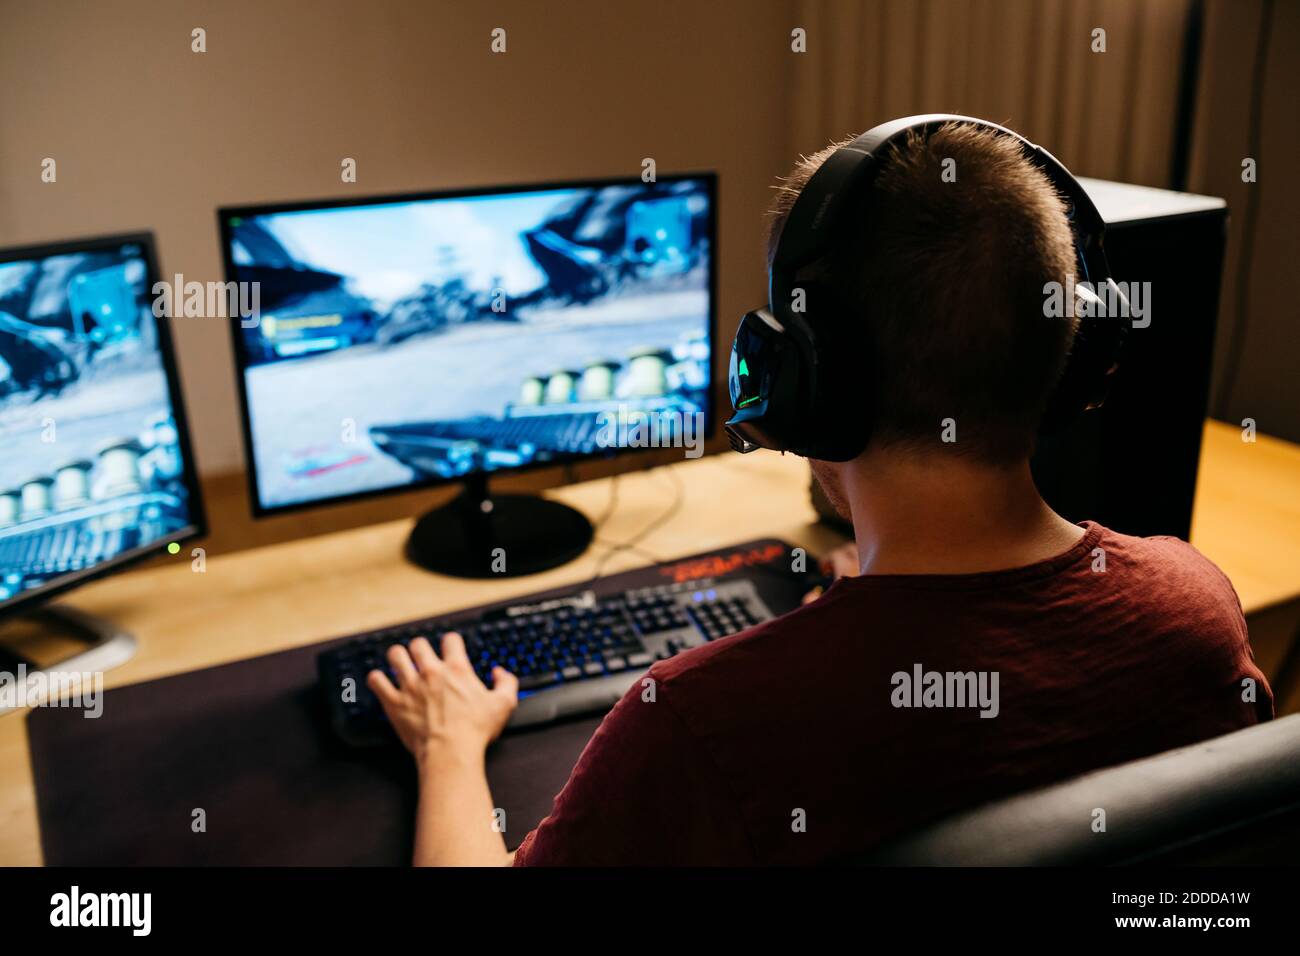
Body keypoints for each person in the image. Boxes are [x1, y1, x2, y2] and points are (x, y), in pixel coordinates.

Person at [367, 122, 1273, 866]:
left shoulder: (702, 720)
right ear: (1072, 364)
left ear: (795, 379)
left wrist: (447, 744)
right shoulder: (1195, 605)